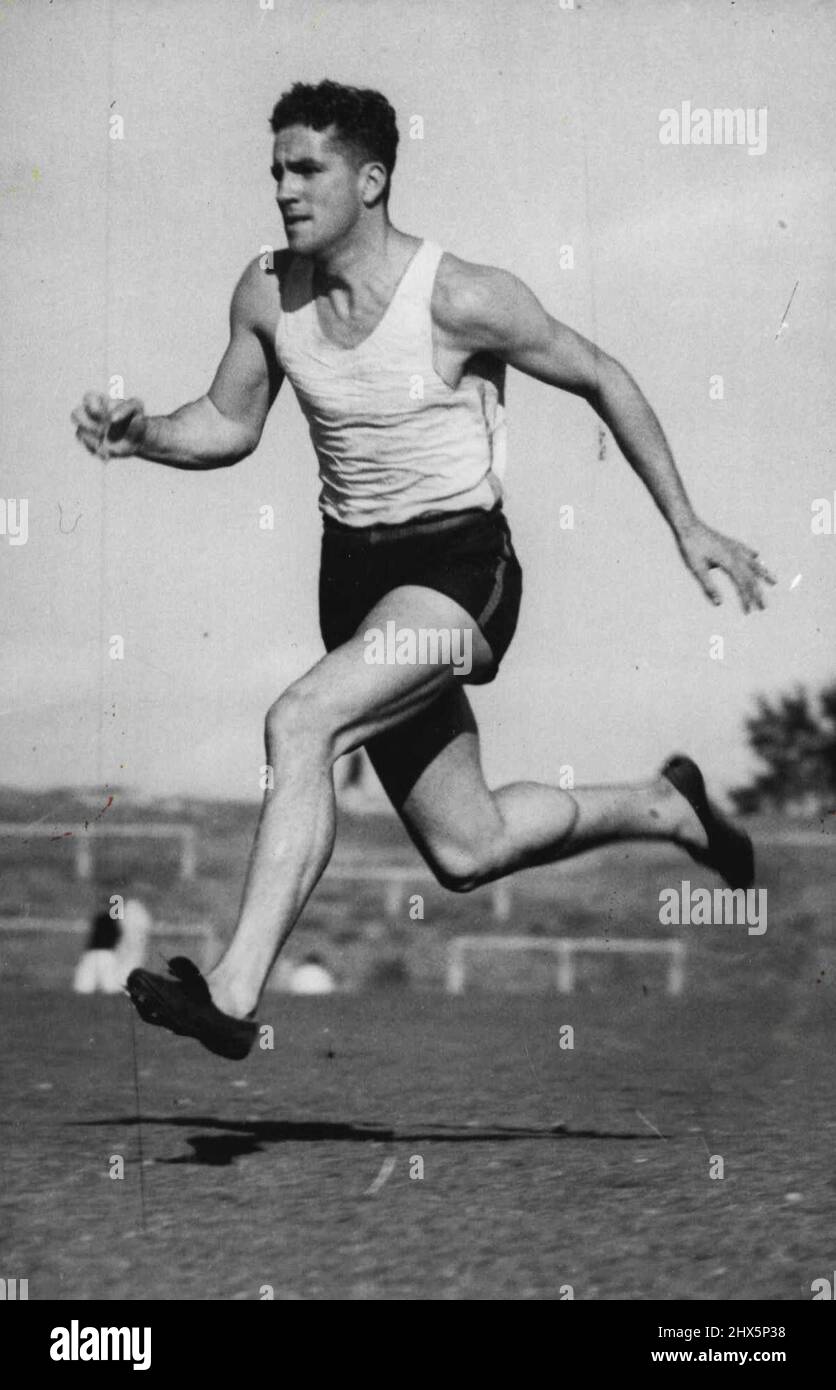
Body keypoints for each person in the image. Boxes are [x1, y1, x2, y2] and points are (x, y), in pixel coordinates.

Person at [71, 80, 775, 1061]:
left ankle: (231, 989)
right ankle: (664, 806)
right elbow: (229, 421)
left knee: (300, 719)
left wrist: (685, 521)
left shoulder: (460, 295)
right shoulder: (266, 290)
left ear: (371, 179)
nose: (283, 187)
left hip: (457, 566)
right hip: (352, 580)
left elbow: (602, 374)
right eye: (275, 168)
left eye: (305, 168)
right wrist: (141, 432)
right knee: (465, 846)